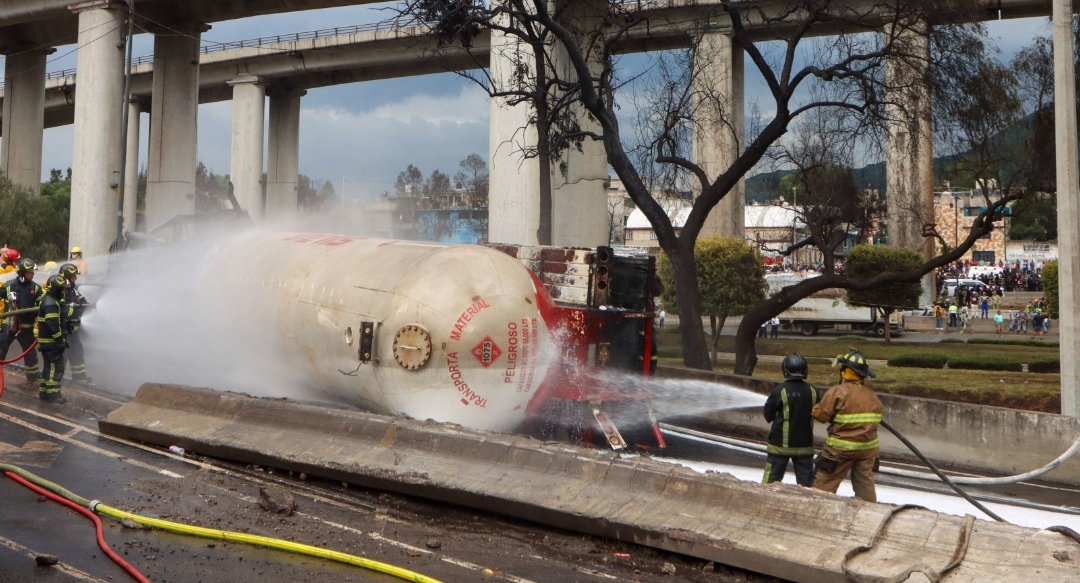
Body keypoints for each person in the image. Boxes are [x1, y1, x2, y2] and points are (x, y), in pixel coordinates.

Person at [812, 350, 883, 502]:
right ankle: (869, 516)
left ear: (845, 371)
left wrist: (816, 408)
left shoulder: (838, 392)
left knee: (823, 488)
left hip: (840, 451)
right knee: (866, 490)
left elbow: (822, 416)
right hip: (866, 452)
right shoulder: (873, 397)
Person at [762, 353, 820, 487]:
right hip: (804, 447)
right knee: (807, 487)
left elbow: (768, 416)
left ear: (785, 370)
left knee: (769, 485)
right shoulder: (813, 391)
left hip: (779, 448)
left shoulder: (779, 391)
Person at [0, 258, 43, 382]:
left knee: (30, 353)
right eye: (30, 272)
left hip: (27, 326)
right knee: (1, 348)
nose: (33, 274)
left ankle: (33, 375)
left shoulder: (35, 288)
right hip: (10, 325)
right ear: (23, 273)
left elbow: (42, 304)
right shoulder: (9, 285)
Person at [35, 274, 68, 403]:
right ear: (55, 289)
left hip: (47, 342)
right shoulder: (51, 303)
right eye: (62, 289)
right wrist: (59, 340)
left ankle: (44, 392)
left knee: (48, 368)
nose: (63, 292)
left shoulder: (48, 300)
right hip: (51, 342)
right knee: (56, 367)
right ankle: (53, 394)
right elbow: (53, 324)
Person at [59, 263, 91, 382]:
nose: (75, 278)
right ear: (67, 276)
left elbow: (81, 300)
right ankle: (58, 377)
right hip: (64, 329)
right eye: (73, 276)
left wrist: (86, 305)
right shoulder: (61, 290)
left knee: (77, 351)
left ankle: (79, 376)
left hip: (73, 330)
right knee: (64, 354)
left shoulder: (74, 290)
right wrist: (76, 307)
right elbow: (62, 308)